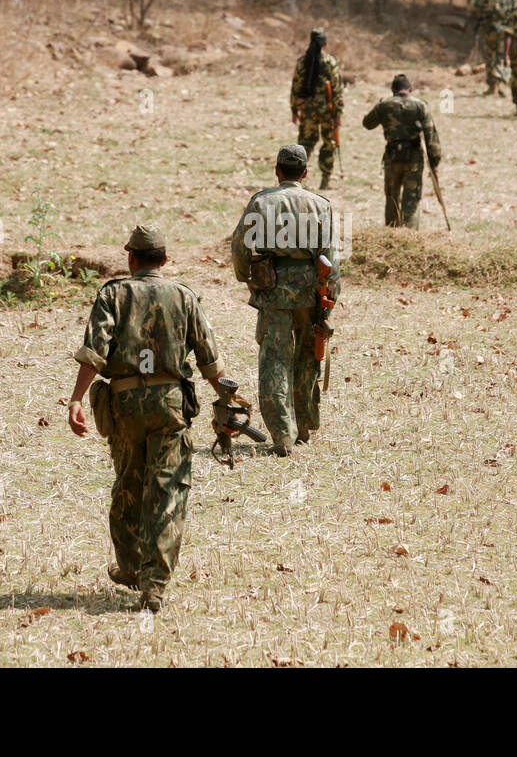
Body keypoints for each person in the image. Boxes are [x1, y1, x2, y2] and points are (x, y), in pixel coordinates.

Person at [66, 224, 234, 613]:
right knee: (168, 491)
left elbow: (94, 352)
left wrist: (75, 399)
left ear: (130, 259)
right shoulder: (184, 296)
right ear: (165, 260)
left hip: (125, 405)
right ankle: (154, 585)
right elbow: (210, 360)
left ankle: (130, 566)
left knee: (128, 485)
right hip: (170, 404)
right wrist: (230, 398)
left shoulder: (113, 294)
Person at [230, 145, 342, 456]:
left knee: (274, 362)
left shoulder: (261, 202)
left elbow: (240, 248)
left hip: (273, 293)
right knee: (307, 359)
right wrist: (330, 299)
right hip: (310, 294)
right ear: (305, 173)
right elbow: (332, 259)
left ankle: (282, 435)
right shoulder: (321, 205)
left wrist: (247, 278)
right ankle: (304, 427)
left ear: (277, 171)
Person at [361, 74, 443, 229]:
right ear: (410, 89)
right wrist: (434, 162)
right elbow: (431, 136)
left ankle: (391, 235)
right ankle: (409, 236)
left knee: (392, 198)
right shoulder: (420, 105)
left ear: (393, 90)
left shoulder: (384, 105)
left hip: (392, 158)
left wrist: (383, 110)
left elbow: (367, 123)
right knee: (411, 200)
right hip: (413, 159)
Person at [289, 27, 344, 190]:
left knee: (305, 144)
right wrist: (338, 113)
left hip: (307, 110)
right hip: (327, 110)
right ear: (325, 44)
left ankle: (295, 179)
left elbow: (295, 87)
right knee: (329, 143)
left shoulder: (301, 62)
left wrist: (294, 110)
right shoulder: (330, 62)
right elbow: (337, 90)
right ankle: (325, 180)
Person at [468, 0, 516, 95]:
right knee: (503, 57)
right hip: (506, 32)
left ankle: (493, 87)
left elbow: (474, 5)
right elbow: (516, 11)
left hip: (490, 30)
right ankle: (501, 85)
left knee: (490, 58)